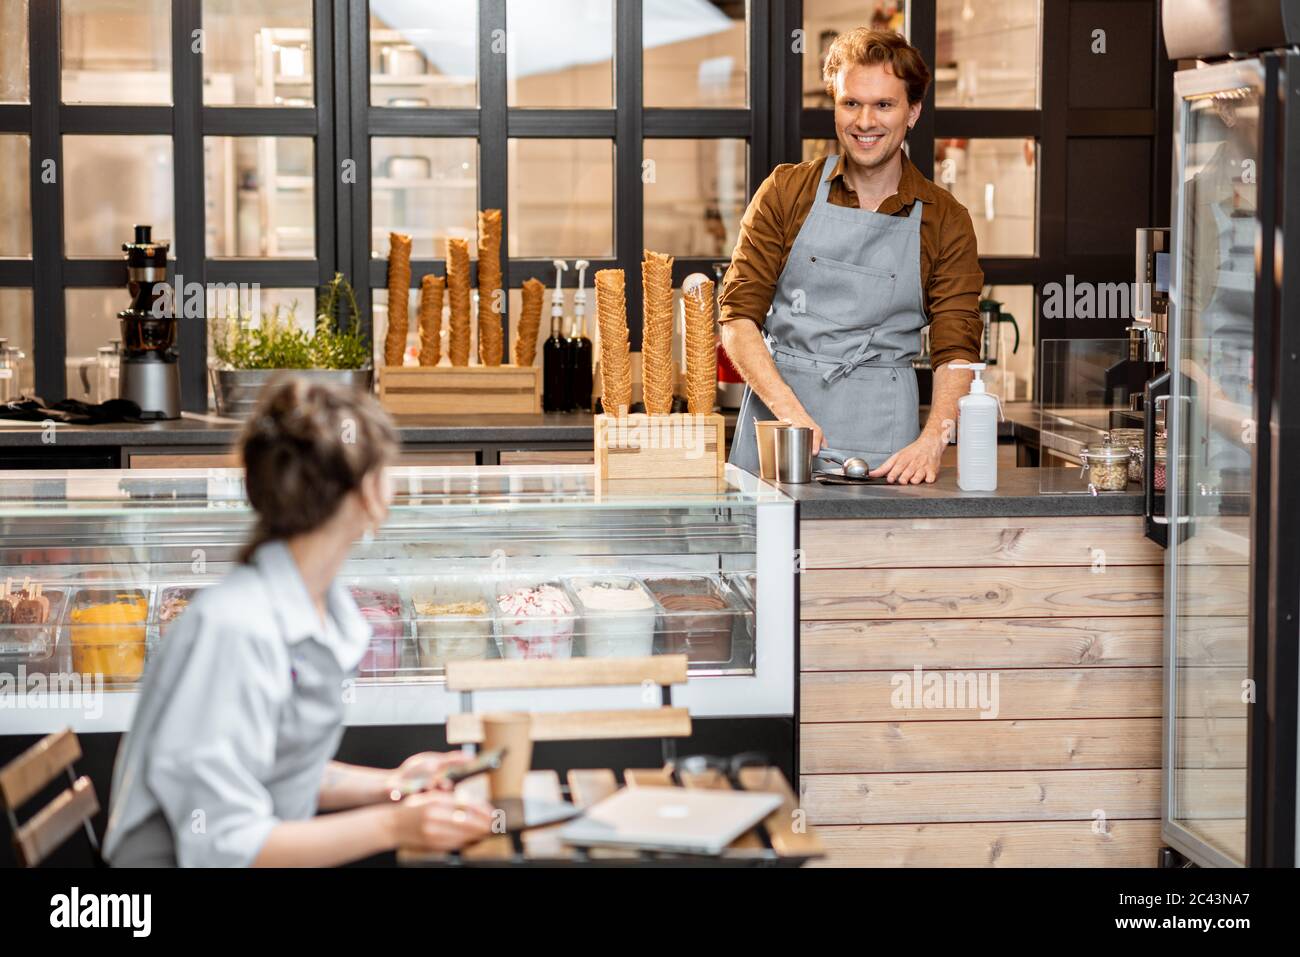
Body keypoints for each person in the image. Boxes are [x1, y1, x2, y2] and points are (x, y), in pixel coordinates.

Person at [103, 376, 493, 866]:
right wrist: (394, 824)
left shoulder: (312, 604)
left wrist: (395, 786)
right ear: (366, 494)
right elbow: (225, 844)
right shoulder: (236, 630)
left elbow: (269, 769)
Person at [721, 28, 984, 484]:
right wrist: (792, 419)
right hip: (780, 431)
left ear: (913, 112)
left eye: (884, 105)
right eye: (851, 103)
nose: (865, 121)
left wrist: (932, 440)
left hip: (887, 439)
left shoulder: (946, 219)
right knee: (766, 555)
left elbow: (955, 350)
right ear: (835, 106)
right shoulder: (786, 192)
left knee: (871, 555)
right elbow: (738, 320)